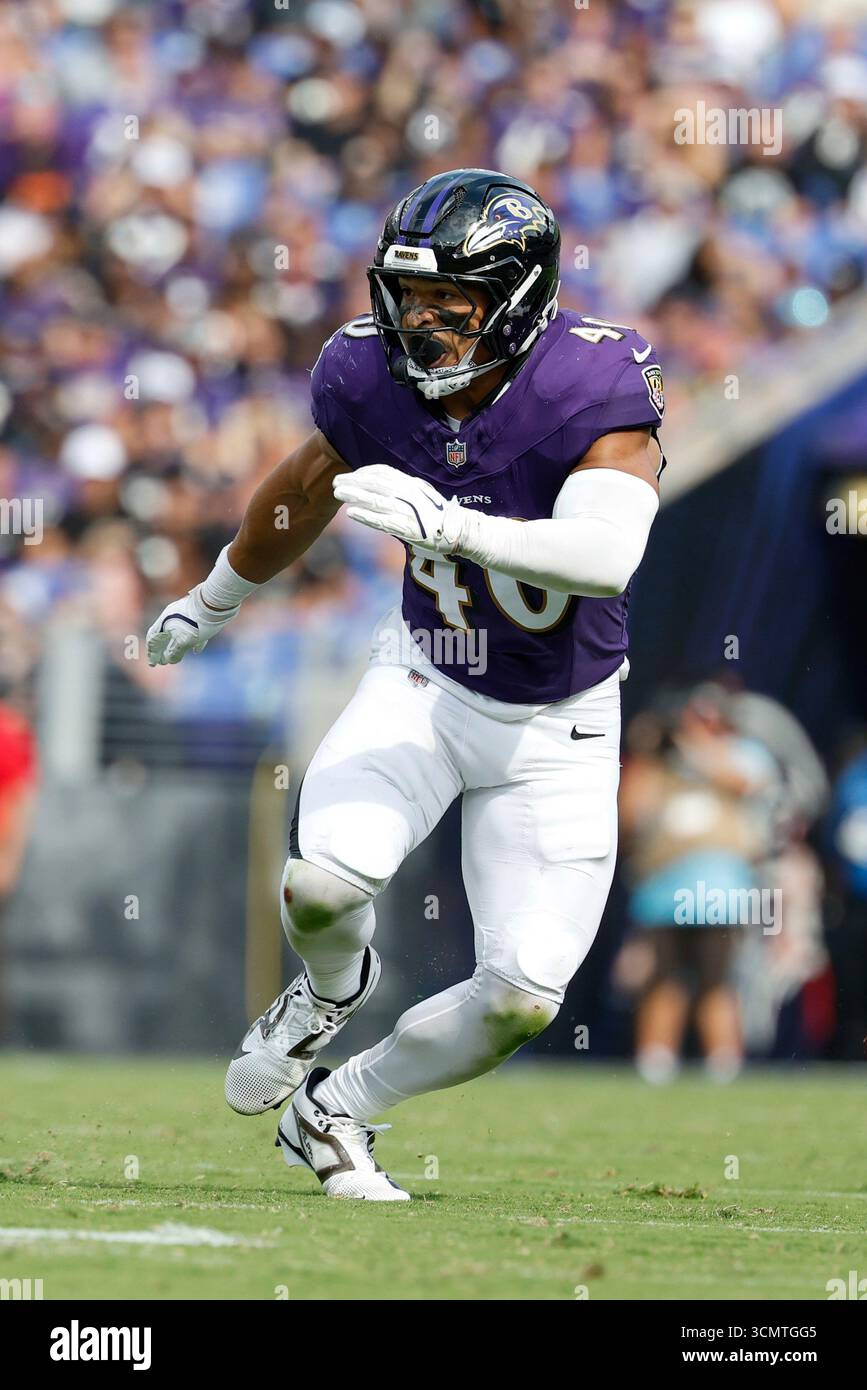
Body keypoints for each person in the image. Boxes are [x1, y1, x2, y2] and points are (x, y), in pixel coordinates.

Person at [146, 169, 666, 1201]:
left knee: (521, 995)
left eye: (449, 303)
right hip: (427, 680)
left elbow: (608, 555)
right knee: (323, 882)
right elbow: (302, 490)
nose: (418, 324)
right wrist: (214, 598)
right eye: (407, 296)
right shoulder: (362, 375)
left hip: (560, 725)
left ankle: (338, 1107)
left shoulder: (591, 383)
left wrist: (453, 524)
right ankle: (336, 989)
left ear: (515, 298)